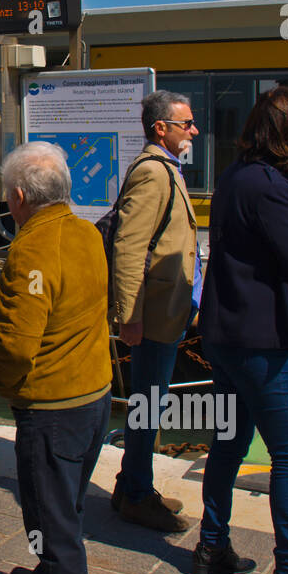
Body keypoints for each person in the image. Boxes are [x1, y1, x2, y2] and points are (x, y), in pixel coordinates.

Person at [197, 85, 288, 574]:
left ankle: (212, 545)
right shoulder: (273, 187)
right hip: (262, 341)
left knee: (228, 441)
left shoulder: (234, 177)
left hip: (224, 333)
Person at [0, 141, 112, 574]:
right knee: (67, 506)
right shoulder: (88, 233)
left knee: (53, 523)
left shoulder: (30, 251)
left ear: (19, 198)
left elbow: (14, 350)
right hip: (96, 395)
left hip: (52, 408)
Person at [111, 91, 201, 532]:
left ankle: (131, 483)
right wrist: (129, 315)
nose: (195, 131)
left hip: (168, 310)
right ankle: (137, 495)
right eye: (187, 123)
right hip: (154, 316)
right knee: (148, 404)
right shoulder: (153, 173)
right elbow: (129, 247)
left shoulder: (167, 168)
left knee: (151, 402)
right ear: (160, 128)